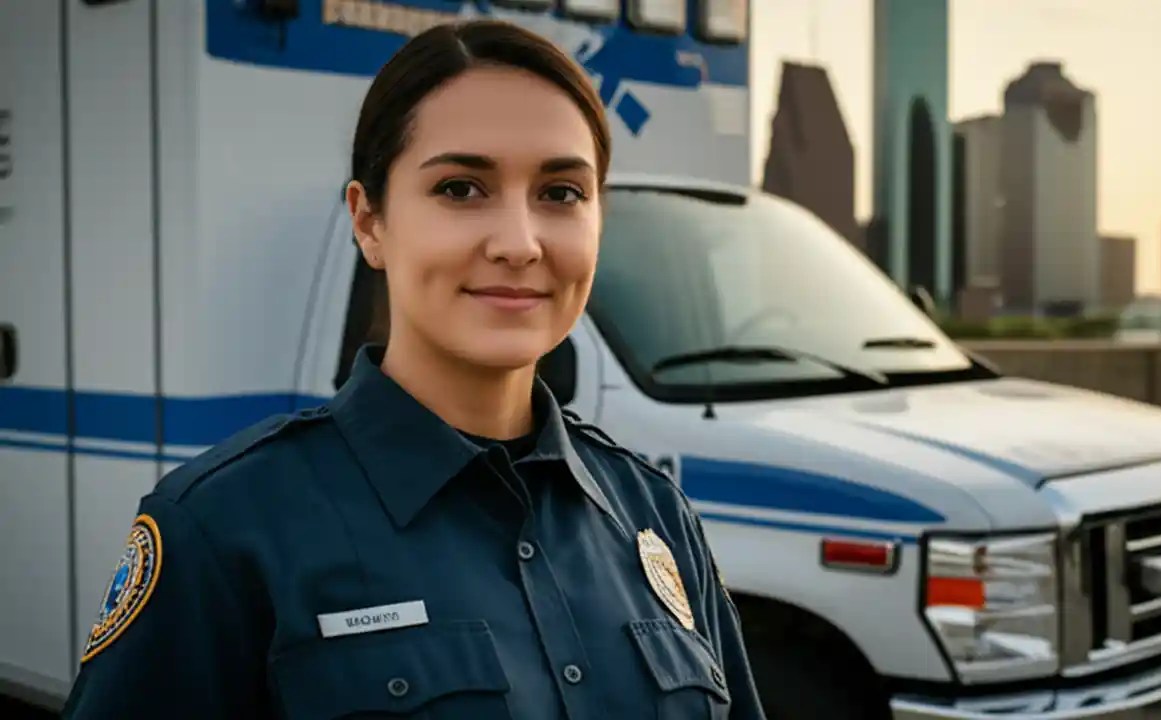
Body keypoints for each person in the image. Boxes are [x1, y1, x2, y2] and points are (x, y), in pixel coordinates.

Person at [61, 19, 766, 720]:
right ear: (369, 222)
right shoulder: (224, 529)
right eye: (461, 188)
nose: (520, 244)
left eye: (561, 193)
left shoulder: (655, 517)